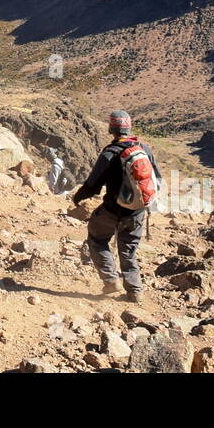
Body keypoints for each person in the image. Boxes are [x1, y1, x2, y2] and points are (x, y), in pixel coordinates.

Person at [72, 110, 161, 302]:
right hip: (137, 212)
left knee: (97, 238)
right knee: (129, 249)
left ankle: (111, 280)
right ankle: (135, 290)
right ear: (129, 127)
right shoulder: (145, 149)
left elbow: (93, 185)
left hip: (112, 210)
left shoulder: (110, 153)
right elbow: (157, 180)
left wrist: (78, 198)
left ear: (112, 128)